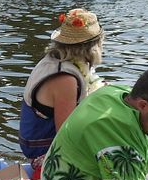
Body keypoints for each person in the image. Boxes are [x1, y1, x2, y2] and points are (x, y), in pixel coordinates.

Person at [19, 8, 105, 162]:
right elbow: (65, 135)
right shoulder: (65, 79)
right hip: (43, 150)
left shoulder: (56, 60)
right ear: (94, 46)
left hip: (43, 143)